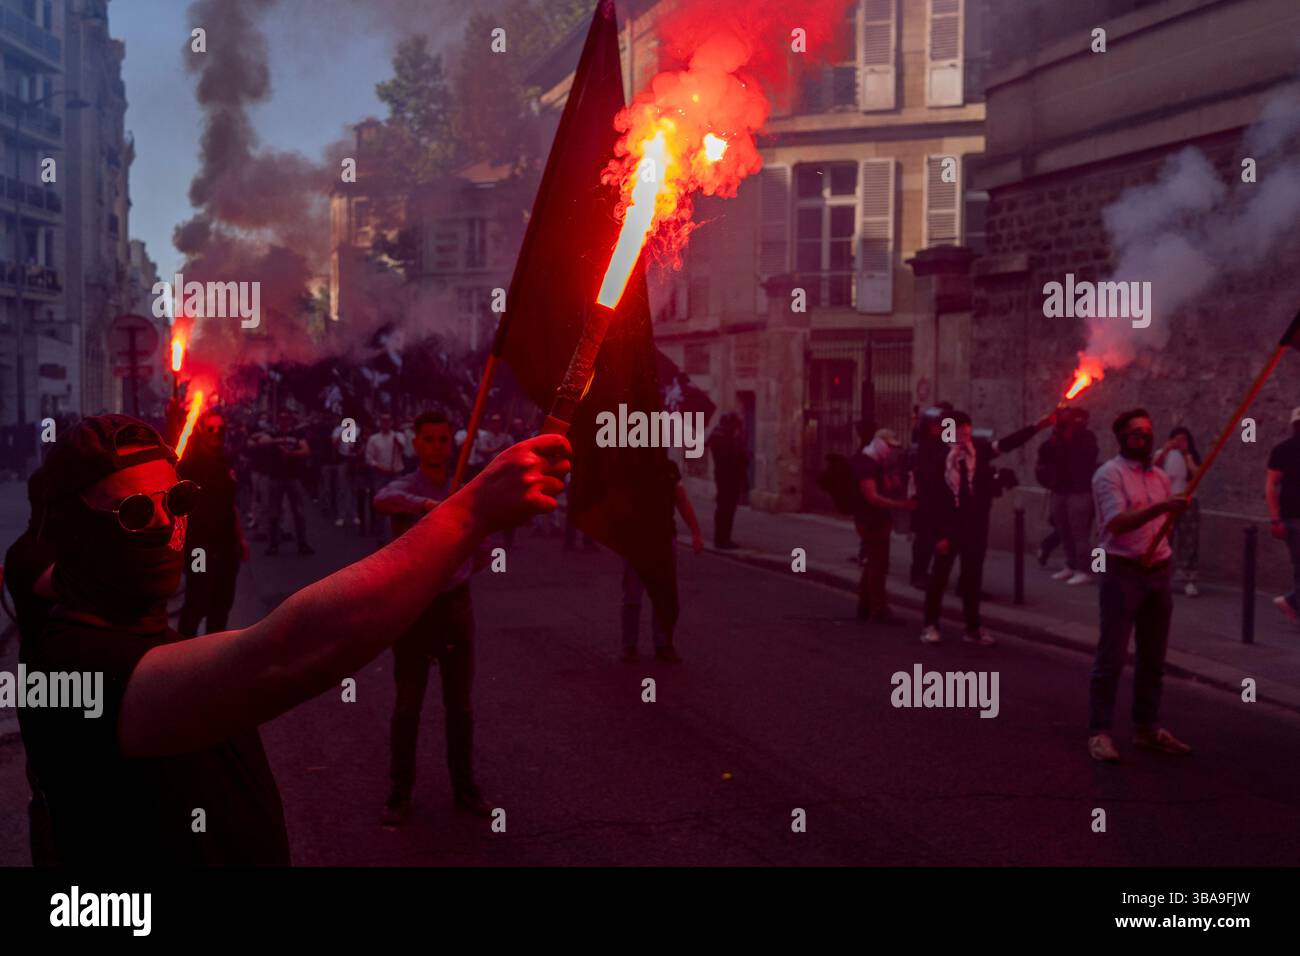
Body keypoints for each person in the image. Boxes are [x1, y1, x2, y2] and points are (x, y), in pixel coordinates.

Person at [16, 413, 570, 865]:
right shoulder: (73, 669)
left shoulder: (143, 628)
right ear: (76, 529)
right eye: (136, 511)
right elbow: (283, 655)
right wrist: (468, 514)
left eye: (177, 502)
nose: (167, 526)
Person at [373, 411, 490, 824]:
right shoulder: (407, 487)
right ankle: (399, 793)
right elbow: (383, 498)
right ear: (417, 444)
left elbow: (482, 546)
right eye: (430, 439)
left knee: (460, 708)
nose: (439, 446)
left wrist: (460, 564)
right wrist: (428, 505)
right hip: (415, 610)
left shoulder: (465, 489)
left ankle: (466, 789)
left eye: (444, 439)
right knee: (408, 707)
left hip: (456, 606)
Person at [1087, 408, 1192, 763]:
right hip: (1122, 571)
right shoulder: (1109, 474)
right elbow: (1116, 522)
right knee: (1112, 654)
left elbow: (1165, 521)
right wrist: (1162, 507)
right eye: (1135, 433)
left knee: (1153, 656)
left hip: (1158, 571)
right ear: (1122, 438)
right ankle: (1099, 731)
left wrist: (1166, 541)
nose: (1143, 438)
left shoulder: (1160, 477)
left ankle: (1147, 727)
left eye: (1148, 431)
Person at [919, 410, 1050, 646]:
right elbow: (931, 500)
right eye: (960, 432)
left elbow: (1007, 444)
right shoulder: (938, 458)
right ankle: (930, 624)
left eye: (968, 431)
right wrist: (938, 534)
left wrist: (1037, 427)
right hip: (948, 528)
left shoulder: (978, 454)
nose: (965, 437)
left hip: (974, 527)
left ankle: (973, 627)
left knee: (972, 578)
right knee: (939, 576)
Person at [621, 457, 703, 663]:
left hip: (664, 540)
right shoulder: (628, 467)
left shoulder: (669, 468)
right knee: (632, 598)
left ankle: (663, 644)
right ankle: (629, 646)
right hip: (636, 541)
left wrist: (695, 532)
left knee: (663, 595)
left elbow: (681, 500)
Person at [177, 410, 249, 636]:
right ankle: (183, 654)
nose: (216, 433)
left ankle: (214, 655)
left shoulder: (225, 459)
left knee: (222, 603)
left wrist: (241, 539)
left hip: (227, 545)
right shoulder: (190, 462)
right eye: (211, 428)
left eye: (221, 429)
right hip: (200, 547)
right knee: (197, 600)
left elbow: (231, 504)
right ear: (201, 430)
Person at [850, 429, 915, 625]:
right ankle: (878, 609)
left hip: (873, 520)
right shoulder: (866, 465)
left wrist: (892, 483)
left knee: (872, 563)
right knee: (878, 565)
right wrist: (901, 506)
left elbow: (880, 489)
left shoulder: (872, 463)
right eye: (888, 446)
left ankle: (864, 605)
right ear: (879, 442)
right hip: (871, 521)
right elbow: (872, 497)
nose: (890, 451)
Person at [1035, 407, 1099, 585]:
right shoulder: (1056, 439)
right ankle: (1071, 564)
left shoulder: (1087, 438)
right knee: (1064, 531)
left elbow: (1085, 457)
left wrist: (1067, 437)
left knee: (1080, 533)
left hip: (1079, 491)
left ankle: (1084, 569)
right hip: (1059, 489)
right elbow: (1045, 454)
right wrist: (1056, 437)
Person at [255, 410, 314, 556]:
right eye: (282, 419)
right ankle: (273, 544)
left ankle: (302, 543)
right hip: (276, 477)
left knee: (298, 512)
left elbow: (306, 451)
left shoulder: (297, 435)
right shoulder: (273, 433)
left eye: (287, 419)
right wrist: (280, 441)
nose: (284, 421)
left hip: (293, 477)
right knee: (274, 512)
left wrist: (291, 454)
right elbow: (262, 442)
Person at [1155, 426, 1202, 598]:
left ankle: (1189, 578)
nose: (1180, 442)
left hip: (1189, 501)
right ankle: (1162, 577)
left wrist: (1186, 454)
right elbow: (1152, 470)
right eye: (1177, 439)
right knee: (1164, 539)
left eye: (1184, 439)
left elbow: (1197, 475)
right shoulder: (1163, 453)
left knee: (1189, 540)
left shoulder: (1191, 456)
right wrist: (1167, 450)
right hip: (1167, 501)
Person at [909, 404, 952, 590]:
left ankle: (932, 573)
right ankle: (918, 573)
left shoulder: (943, 443)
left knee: (939, 537)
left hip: (941, 498)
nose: (940, 427)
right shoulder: (923, 447)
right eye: (937, 424)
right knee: (924, 539)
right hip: (926, 498)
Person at [1266, 407, 1300, 623]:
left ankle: (1292, 602)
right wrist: (1275, 518)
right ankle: (1292, 603)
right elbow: (1270, 485)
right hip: (1294, 517)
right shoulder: (1283, 450)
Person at [707, 412, 749, 549]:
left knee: (724, 509)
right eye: (735, 424)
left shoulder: (718, 435)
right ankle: (722, 540)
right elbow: (734, 458)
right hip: (728, 477)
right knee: (727, 510)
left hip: (723, 476)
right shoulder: (724, 437)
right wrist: (743, 454)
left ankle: (721, 538)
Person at [364, 413, 407, 539]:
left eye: (388, 421)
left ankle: (397, 534)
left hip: (396, 475)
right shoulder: (374, 439)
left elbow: (404, 450)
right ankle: (380, 535)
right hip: (380, 475)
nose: (386, 423)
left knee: (397, 505)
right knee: (381, 505)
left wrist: (397, 442)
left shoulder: (398, 436)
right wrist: (379, 468)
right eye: (383, 421)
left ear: (391, 422)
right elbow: (369, 458)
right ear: (380, 422)